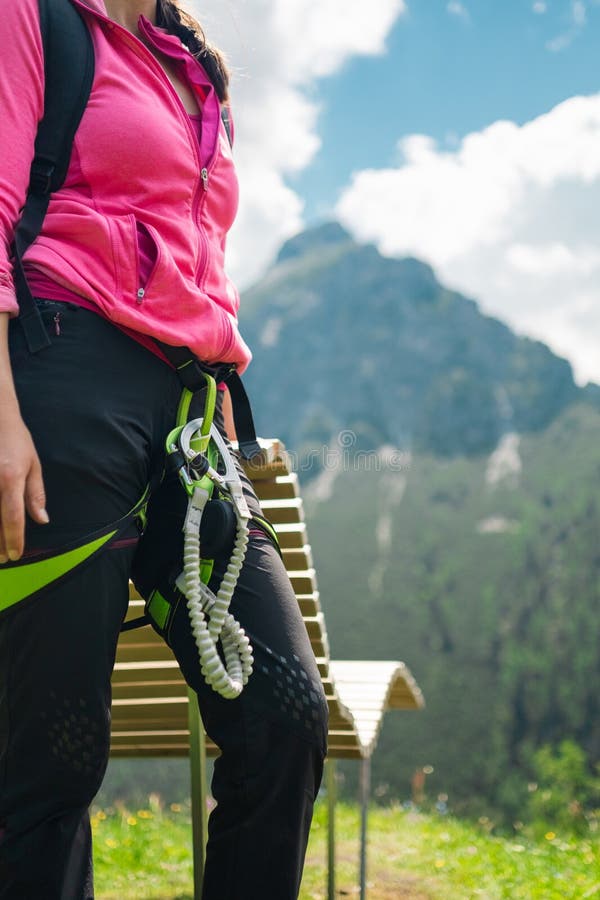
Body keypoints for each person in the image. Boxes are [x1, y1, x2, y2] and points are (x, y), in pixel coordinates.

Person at [0, 1, 329, 897]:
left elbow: (200, 253)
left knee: (288, 720)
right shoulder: (34, 16)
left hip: (190, 413)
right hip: (61, 380)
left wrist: (216, 383)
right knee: (48, 764)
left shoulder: (191, 67)